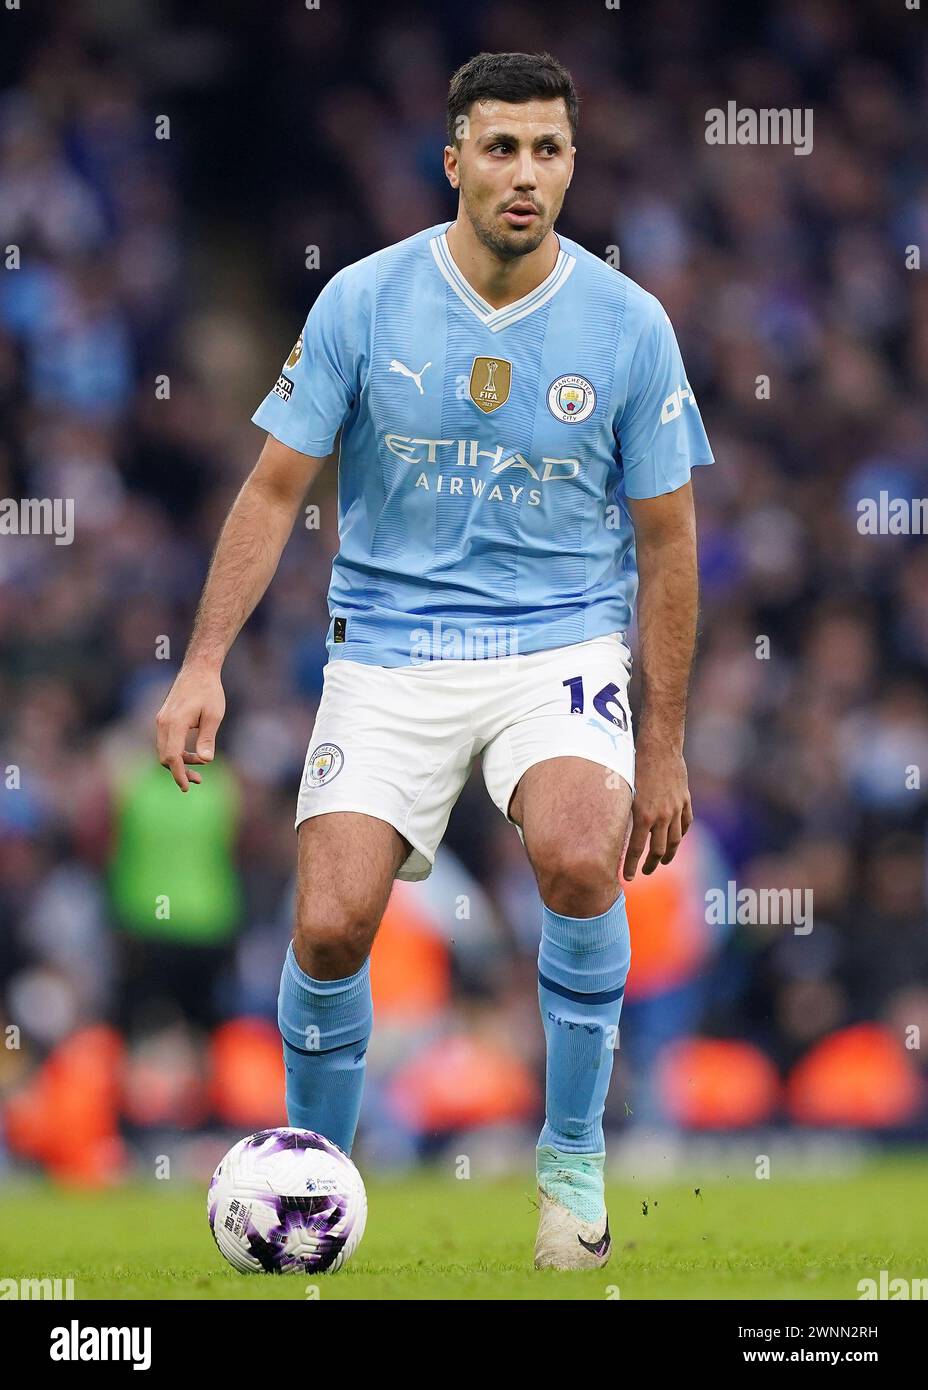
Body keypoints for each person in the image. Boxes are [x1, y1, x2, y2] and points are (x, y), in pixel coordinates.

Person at [156, 50, 714, 1270]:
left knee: (579, 856)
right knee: (330, 928)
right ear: (452, 158)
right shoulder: (361, 300)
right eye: (500, 147)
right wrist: (203, 663)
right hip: (390, 652)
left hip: (558, 641)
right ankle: (318, 1177)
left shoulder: (629, 327)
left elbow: (670, 548)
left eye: (548, 150)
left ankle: (569, 1157)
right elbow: (272, 489)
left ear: (573, 166)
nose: (525, 173)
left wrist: (663, 745)